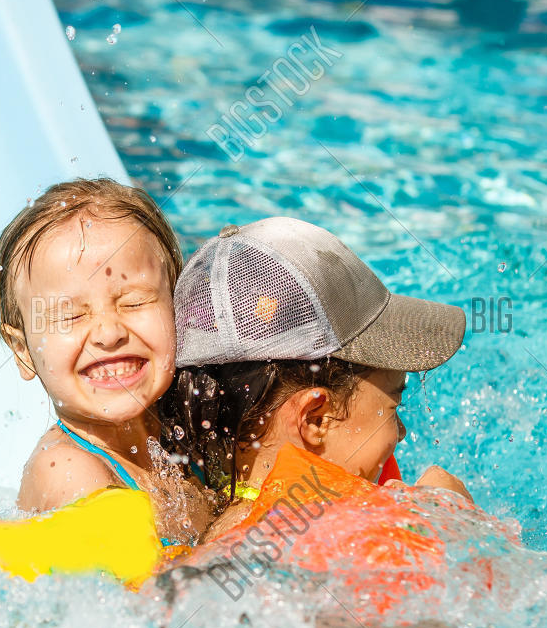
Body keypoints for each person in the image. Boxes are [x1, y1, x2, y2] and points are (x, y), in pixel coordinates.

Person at [159, 216, 474, 542]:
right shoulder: (303, 535)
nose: (404, 432)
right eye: (395, 406)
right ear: (315, 418)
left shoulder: (202, 499)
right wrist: (449, 522)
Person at [0, 178, 212, 545]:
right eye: (69, 316)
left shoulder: (189, 431)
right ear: (22, 351)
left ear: (179, 309)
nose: (108, 334)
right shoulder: (69, 472)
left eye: (134, 302)